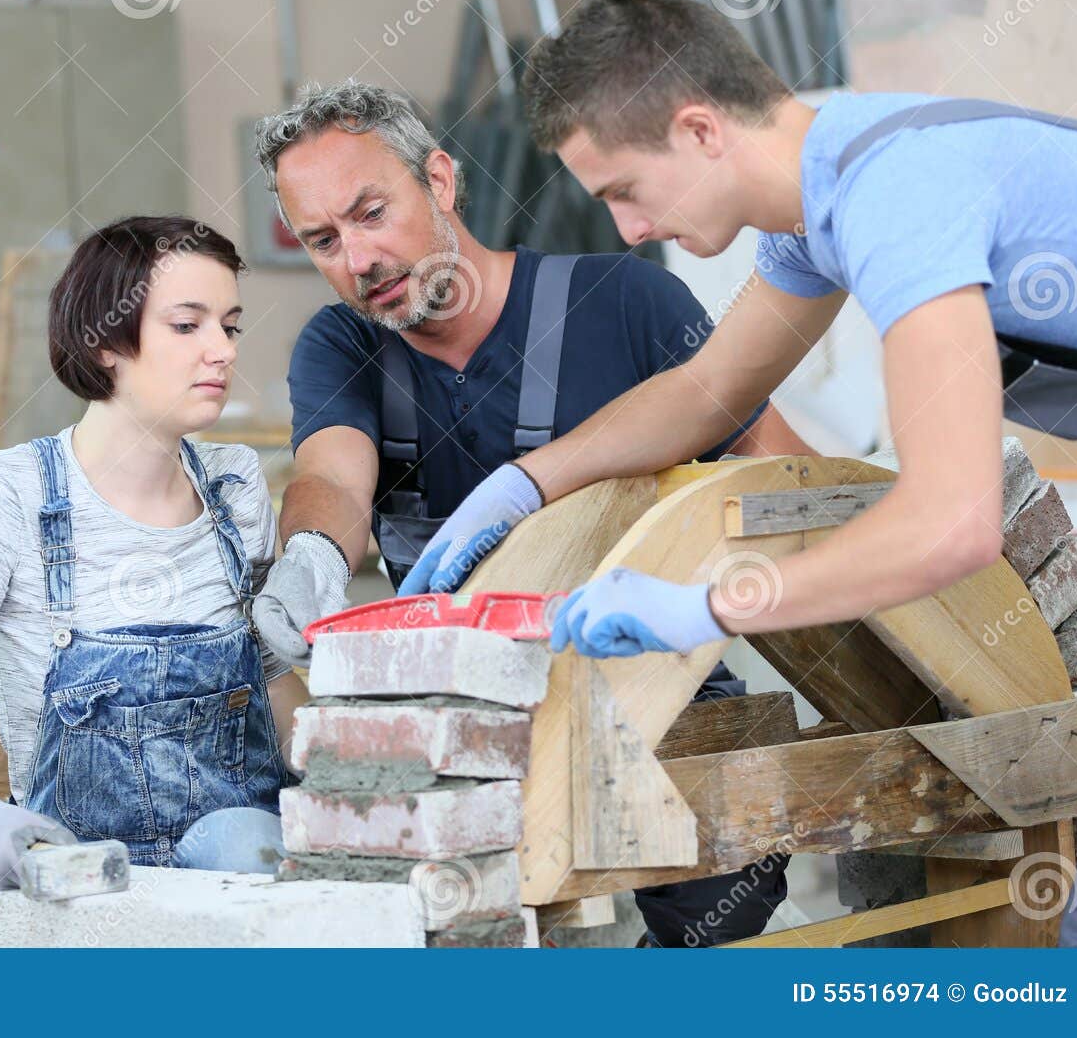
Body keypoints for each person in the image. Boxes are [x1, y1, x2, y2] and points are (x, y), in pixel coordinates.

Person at [519, 0, 1077, 945]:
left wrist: (710, 607)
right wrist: (528, 483)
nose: (626, 229)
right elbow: (711, 390)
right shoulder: (822, 198)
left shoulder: (893, 192)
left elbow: (951, 521)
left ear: (698, 129)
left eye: (623, 190)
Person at [247, 79, 809, 945]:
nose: (358, 259)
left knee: (717, 913)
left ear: (439, 180)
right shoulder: (343, 345)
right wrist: (314, 555)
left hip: (659, 700)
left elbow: (788, 482)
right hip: (461, 727)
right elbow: (334, 476)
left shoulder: (626, 305)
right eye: (323, 239)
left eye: (371, 213)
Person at [0, 215, 307, 888]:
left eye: (230, 326)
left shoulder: (235, 484)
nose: (221, 350)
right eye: (187, 325)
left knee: (246, 843)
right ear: (103, 342)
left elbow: (273, 680)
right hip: (87, 890)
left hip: (248, 885)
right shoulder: (9, 494)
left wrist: (350, 777)